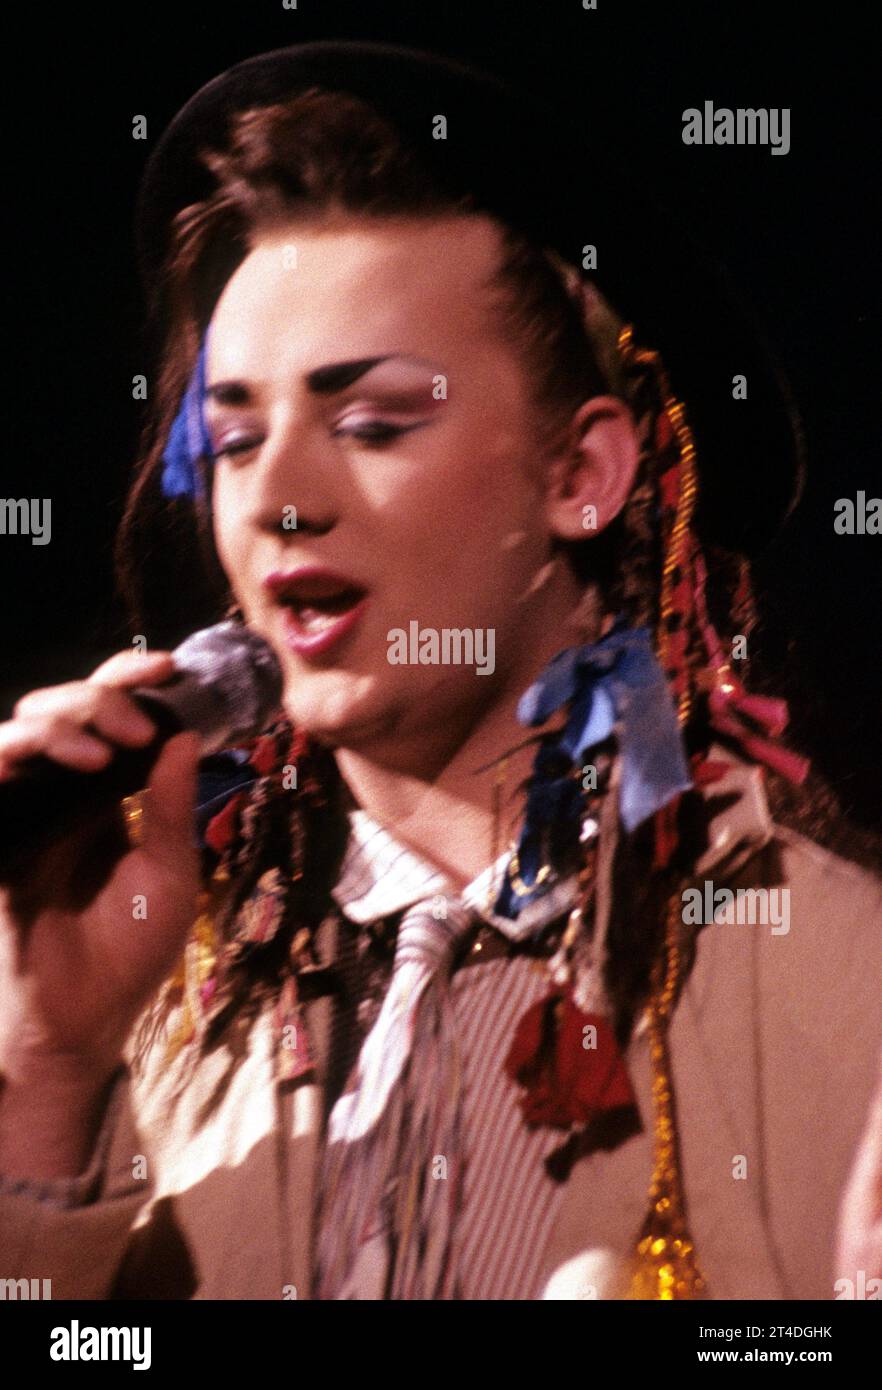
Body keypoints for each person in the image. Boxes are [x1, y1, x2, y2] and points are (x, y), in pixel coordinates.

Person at [0, 42, 879, 1301]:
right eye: (238, 438)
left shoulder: (842, 993)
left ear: (581, 477)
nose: (280, 504)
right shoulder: (166, 1013)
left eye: (373, 422)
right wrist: (50, 1071)